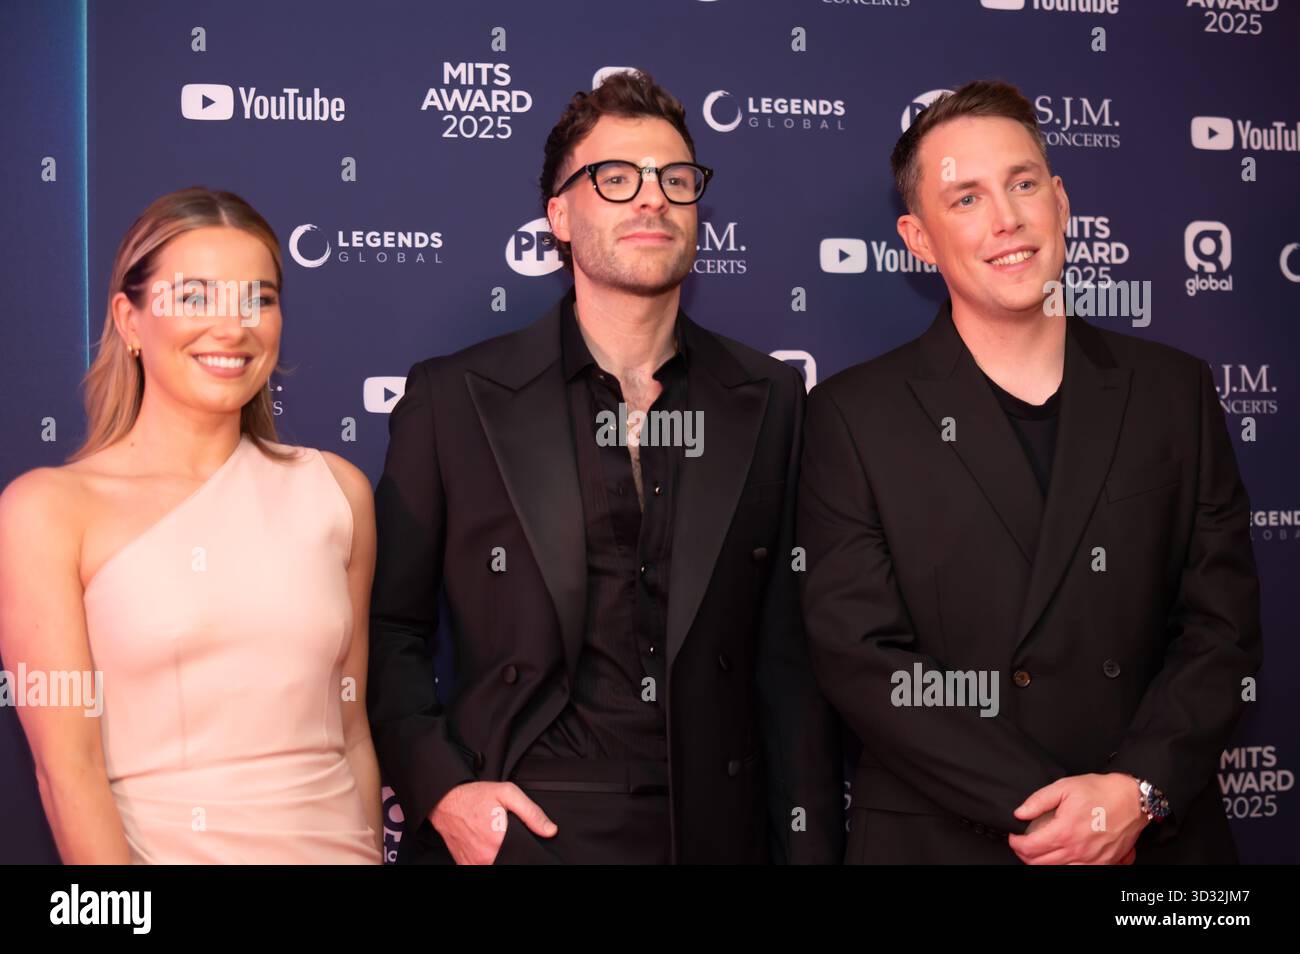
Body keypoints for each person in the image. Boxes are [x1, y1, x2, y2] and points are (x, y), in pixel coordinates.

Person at [368, 70, 842, 864]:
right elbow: (388, 628)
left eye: (675, 179)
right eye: (615, 179)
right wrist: (445, 792)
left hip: (717, 831)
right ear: (558, 214)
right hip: (522, 830)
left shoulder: (771, 399)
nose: (651, 198)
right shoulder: (456, 398)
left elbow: (790, 661)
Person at [797, 80, 1261, 864]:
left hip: (1156, 843)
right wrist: (1056, 816)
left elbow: (1222, 628)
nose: (1007, 219)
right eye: (967, 198)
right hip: (949, 840)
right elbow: (865, 661)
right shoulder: (850, 416)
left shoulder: (1172, 390)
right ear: (917, 238)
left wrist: (1133, 791)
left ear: (1061, 201)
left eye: (1022, 184)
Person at [0, 187, 381, 863]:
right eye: (195, 297)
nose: (232, 327)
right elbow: (67, 773)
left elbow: (351, 729)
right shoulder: (48, 511)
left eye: (258, 298)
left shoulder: (337, 492)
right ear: (129, 319)